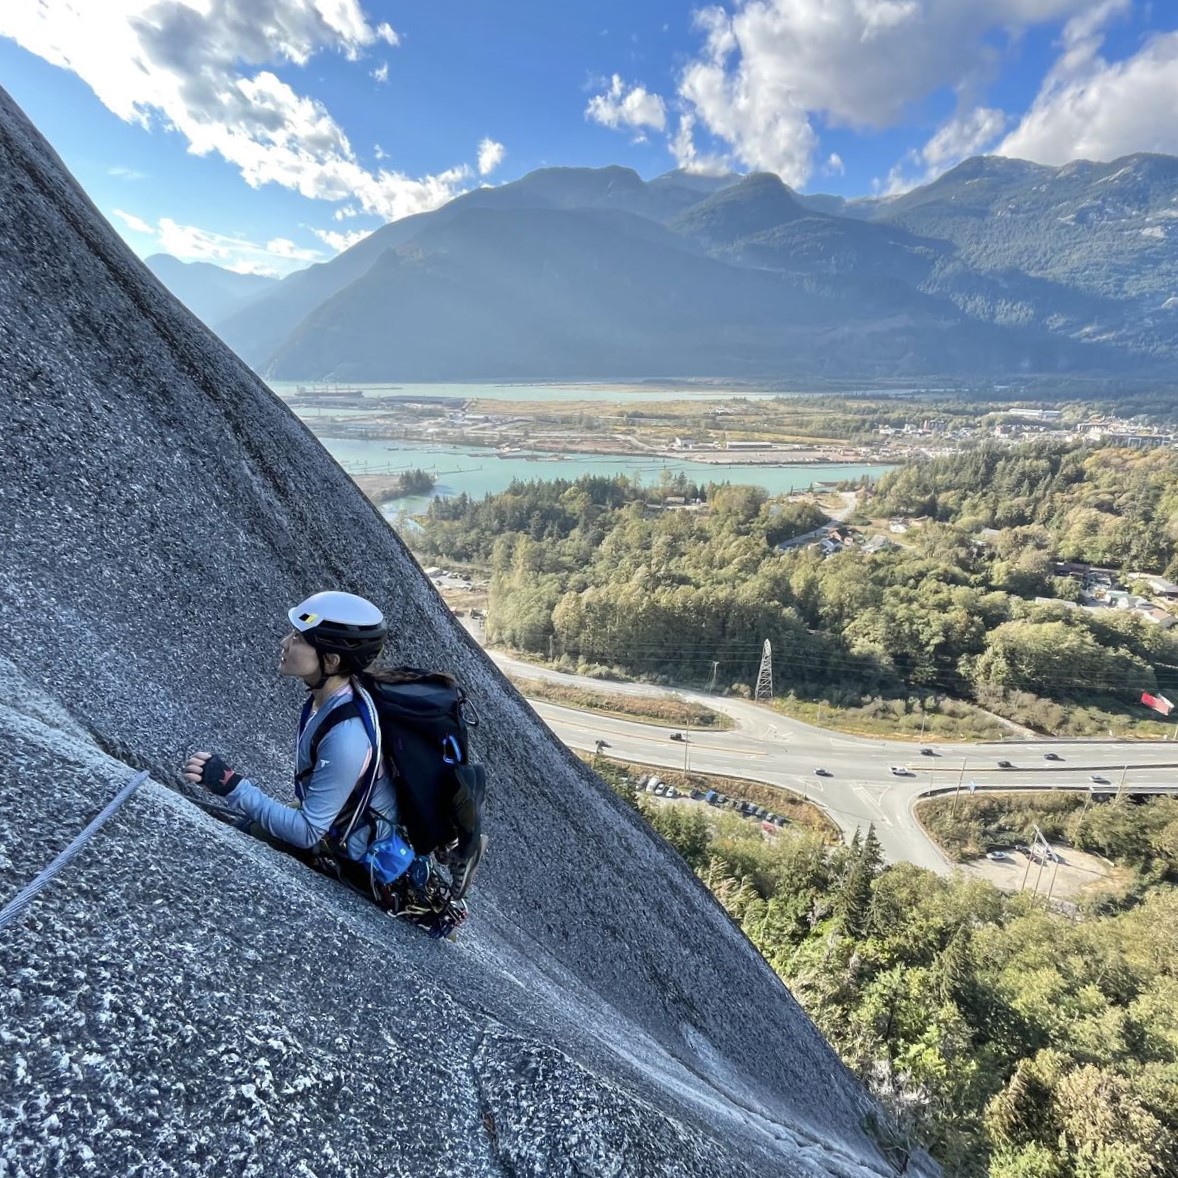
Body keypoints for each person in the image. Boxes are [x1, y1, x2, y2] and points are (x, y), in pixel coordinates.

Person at [182, 590, 399, 876]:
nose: (285, 643)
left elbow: (308, 831)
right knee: (246, 828)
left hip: (356, 850)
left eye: (298, 638)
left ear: (331, 661)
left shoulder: (347, 736)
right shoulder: (330, 697)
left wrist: (231, 785)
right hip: (337, 815)